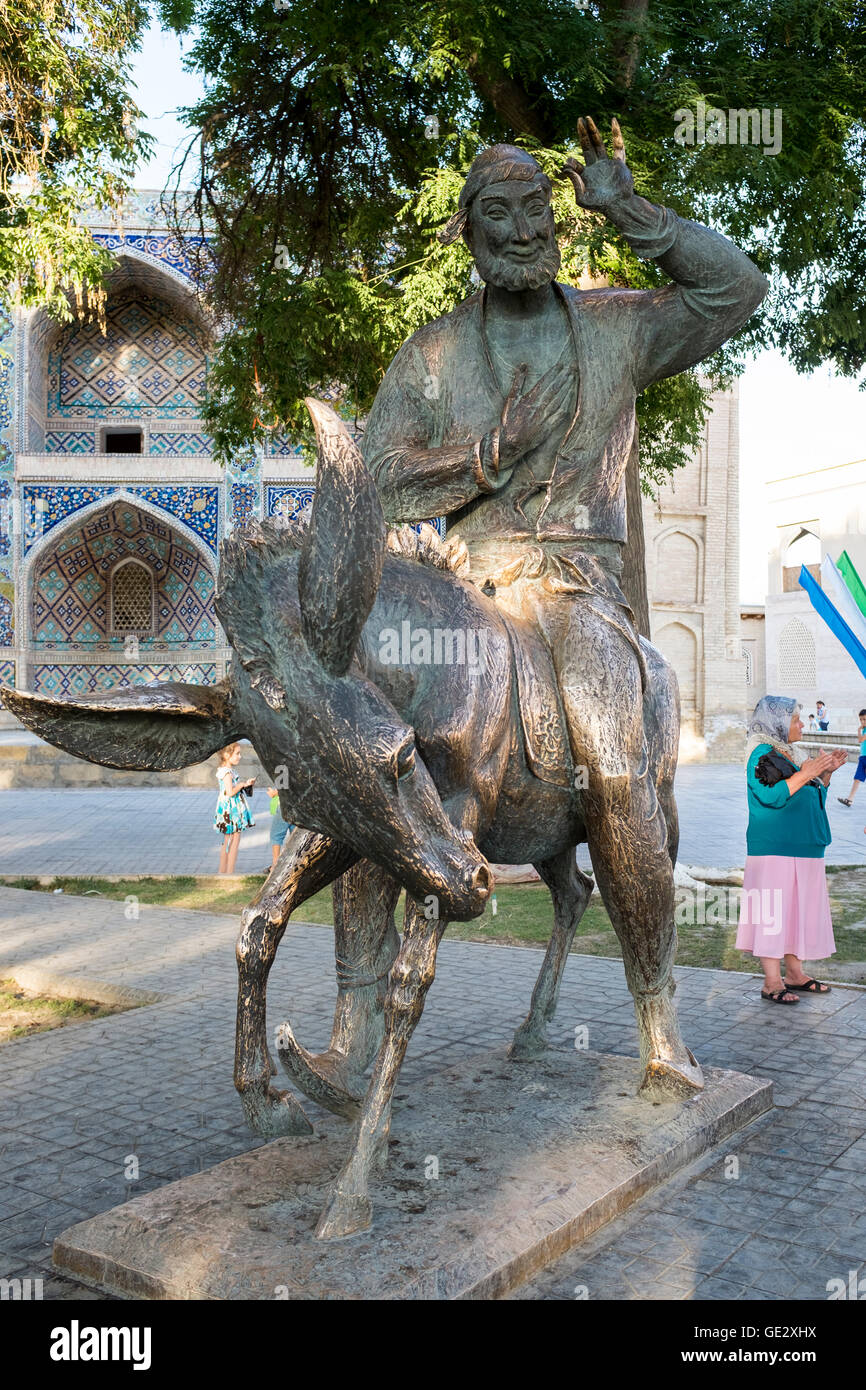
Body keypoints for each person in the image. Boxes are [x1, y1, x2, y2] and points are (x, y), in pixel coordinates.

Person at [362, 122, 767, 1091]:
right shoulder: (432, 354)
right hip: (456, 587)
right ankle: (349, 1016)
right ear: (465, 233)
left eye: (533, 209)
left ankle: (656, 1016)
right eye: (495, 215)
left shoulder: (615, 327)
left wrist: (626, 208)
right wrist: (481, 460)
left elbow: (737, 290)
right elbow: (371, 480)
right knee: (365, 753)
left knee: (610, 756)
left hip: (573, 590)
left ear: (555, 218)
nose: (517, 229)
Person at [736, 696, 847, 1003]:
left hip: (803, 846)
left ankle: (795, 974)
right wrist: (808, 772)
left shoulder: (792, 754)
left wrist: (825, 774)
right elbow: (768, 794)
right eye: (796, 719)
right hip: (775, 847)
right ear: (778, 722)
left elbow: (807, 793)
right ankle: (772, 982)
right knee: (773, 912)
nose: (801, 724)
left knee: (796, 911)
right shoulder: (761, 752)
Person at [214, 743, 255, 875]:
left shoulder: (227, 770)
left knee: (229, 840)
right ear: (227, 755)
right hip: (231, 811)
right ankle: (229, 872)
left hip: (230, 809)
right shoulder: (226, 772)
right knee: (233, 840)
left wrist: (245, 785)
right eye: (237, 753)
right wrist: (242, 784)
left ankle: (223, 871)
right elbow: (230, 792)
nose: (239, 756)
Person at [837, 708, 866, 806]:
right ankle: (849, 800)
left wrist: (858, 730)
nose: (862, 722)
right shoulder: (864, 729)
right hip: (863, 757)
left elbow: (861, 740)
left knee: (857, 778)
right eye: (861, 719)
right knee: (857, 779)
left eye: (864, 719)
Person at [266, 785, 294, 871]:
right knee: (295, 836)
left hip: (284, 806)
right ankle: (294, 863)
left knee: (276, 836)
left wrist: (274, 793)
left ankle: (275, 866)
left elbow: (285, 787)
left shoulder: (283, 770)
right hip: (298, 806)